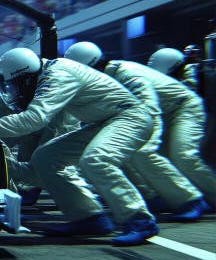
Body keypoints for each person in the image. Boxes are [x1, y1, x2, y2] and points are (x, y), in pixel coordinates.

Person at [0, 48, 159, 246]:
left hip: (130, 117)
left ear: (26, 78)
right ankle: (88, 217)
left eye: (13, 86)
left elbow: (34, 118)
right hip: (104, 121)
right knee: (45, 158)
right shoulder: (38, 75)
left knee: (96, 159)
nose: (11, 91)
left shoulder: (59, 75)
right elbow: (0, 103)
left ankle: (139, 219)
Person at [65, 41, 212, 219]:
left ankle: (191, 199)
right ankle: (158, 196)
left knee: (180, 156)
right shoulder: (109, 75)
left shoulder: (125, 73)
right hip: (163, 110)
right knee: (134, 154)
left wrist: (144, 138)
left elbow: (149, 108)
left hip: (182, 108)